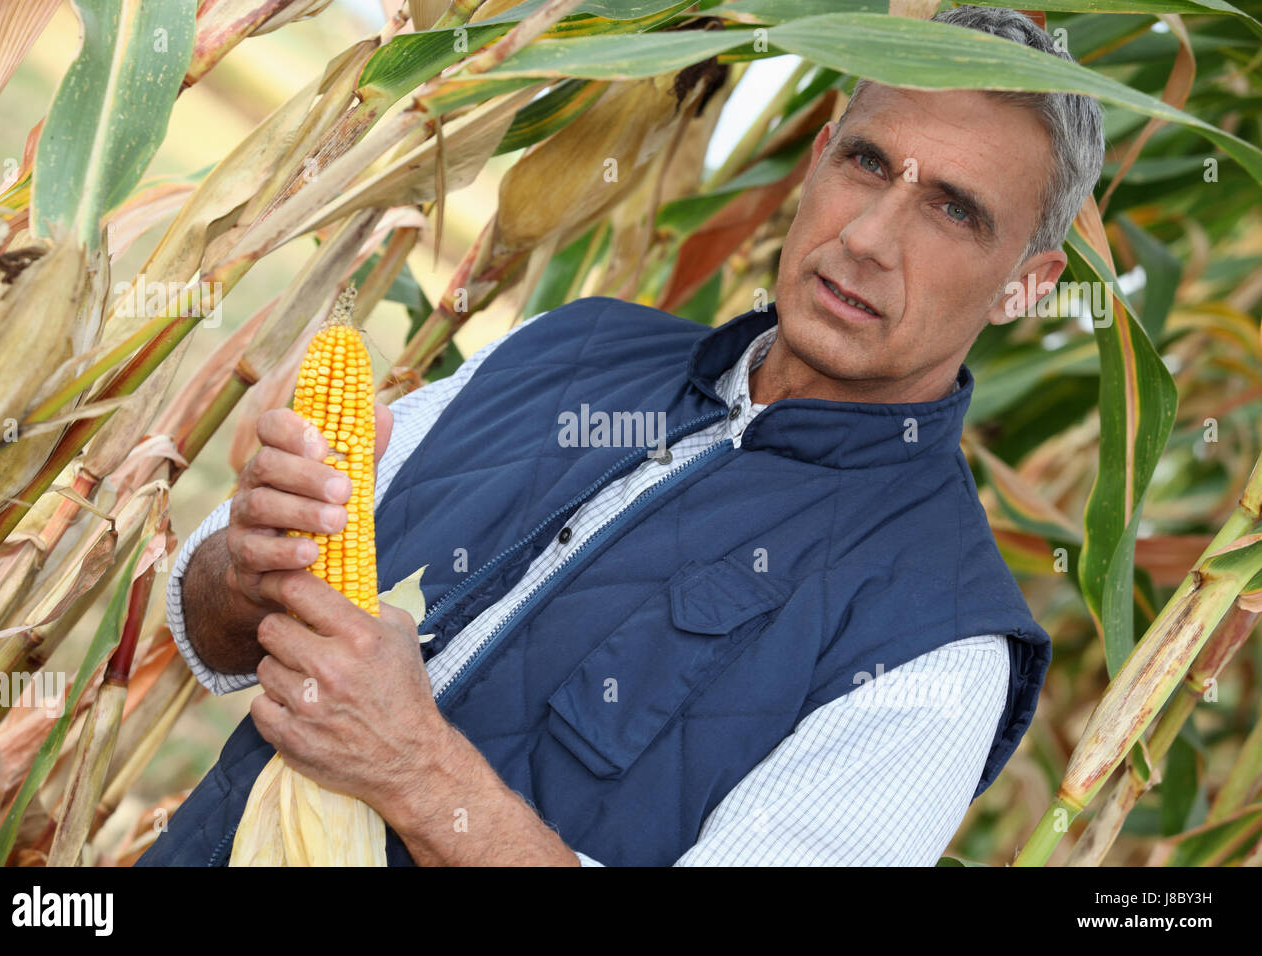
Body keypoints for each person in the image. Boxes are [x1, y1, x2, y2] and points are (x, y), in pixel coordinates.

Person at [137, 5, 1104, 866]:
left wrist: (421, 777)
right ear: (817, 161)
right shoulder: (575, 345)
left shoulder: (941, 644)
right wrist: (249, 564)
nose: (870, 238)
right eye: (867, 163)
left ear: (1027, 282)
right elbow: (211, 626)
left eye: (953, 210)